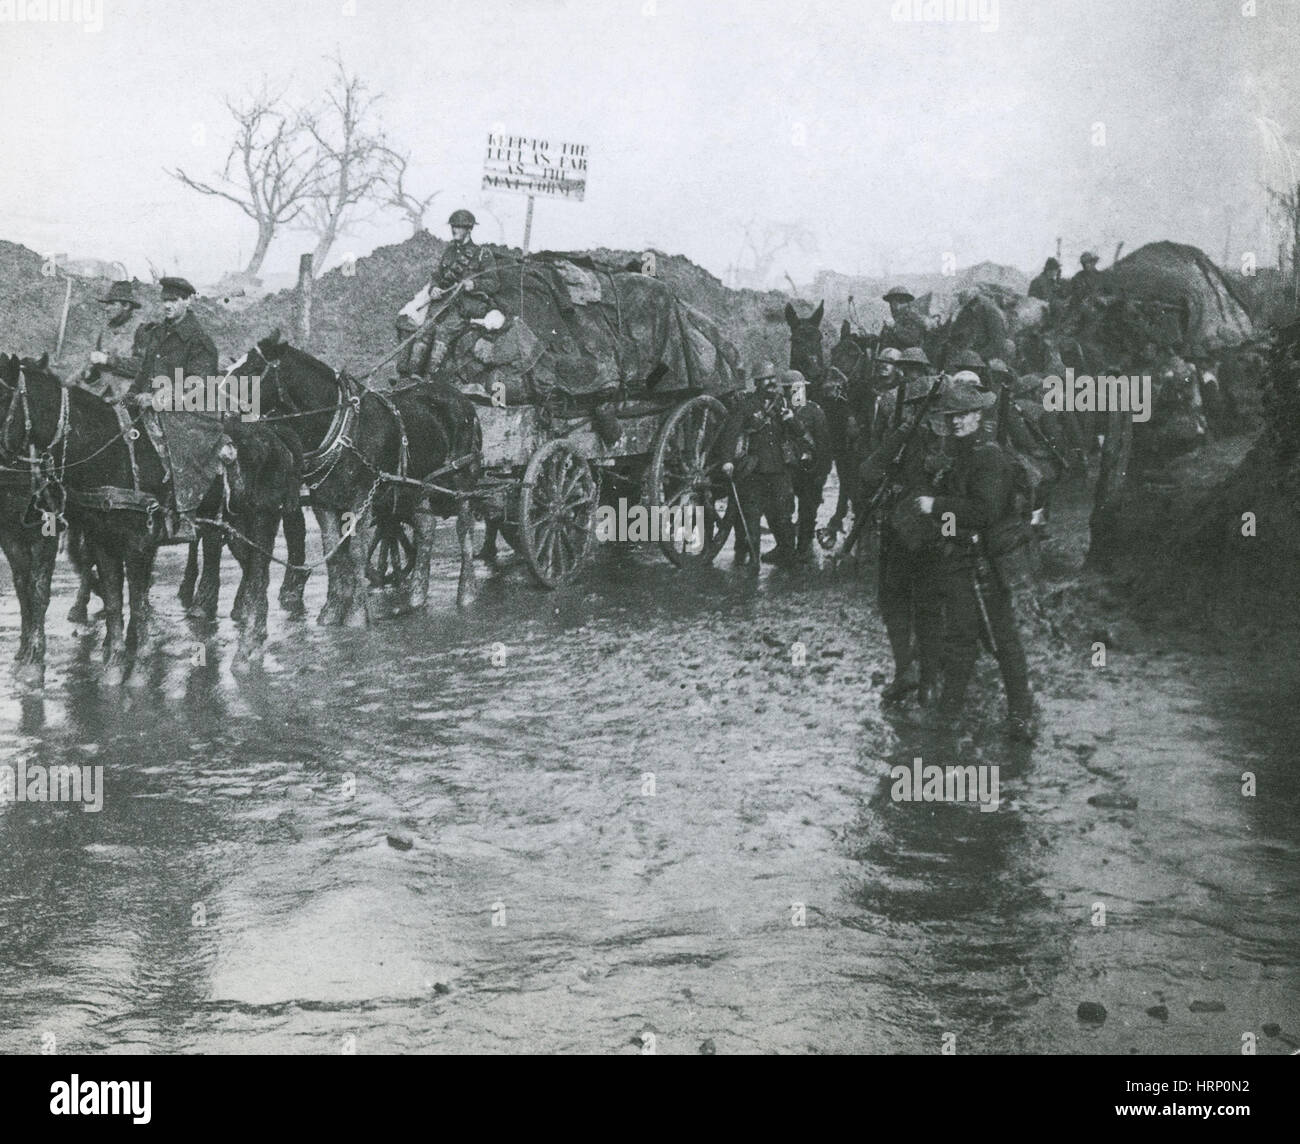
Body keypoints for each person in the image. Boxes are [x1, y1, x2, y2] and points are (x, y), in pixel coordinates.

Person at [913, 376, 1035, 741]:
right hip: (962, 559)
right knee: (962, 639)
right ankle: (949, 714)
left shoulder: (989, 456)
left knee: (1003, 641)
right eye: (951, 416)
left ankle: (1019, 716)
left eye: (963, 415)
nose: (956, 422)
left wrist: (937, 506)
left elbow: (984, 511)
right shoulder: (963, 454)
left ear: (978, 415)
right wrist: (944, 532)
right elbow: (960, 516)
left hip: (985, 563)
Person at [857, 375, 946, 704]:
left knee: (894, 600)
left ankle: (905, 671)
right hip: (941, 532)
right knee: (930, 608)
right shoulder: (953, 436)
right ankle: (929, 684)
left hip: (903, 530)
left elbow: (868, 470)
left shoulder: (906, 434)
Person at [128, 277, 227, 541]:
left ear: (187, 301)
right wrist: (129, 397)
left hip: (192, 410)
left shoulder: (199, 340)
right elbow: (144, 371)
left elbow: (198, 383)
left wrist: (158, 398)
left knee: (181, 440)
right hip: (157, 406)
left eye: (173, 301)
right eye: (164, 301)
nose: (167, 306)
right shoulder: (158, 333)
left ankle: (186, 514)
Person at [398, 208, 499, 378]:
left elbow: (494, 283)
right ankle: (412, 376)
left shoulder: (482, 254)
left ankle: (430, 379)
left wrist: (474, 284)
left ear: (469, 229)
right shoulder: (450, 251)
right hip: (443, 303)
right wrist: (434, 289)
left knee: (443, 332)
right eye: (453, 226)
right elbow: (437, 277)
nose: (454, 229)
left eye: (459, 226)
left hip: (465, 306)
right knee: (424, 331)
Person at [728, 361, 801, 568]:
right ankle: (753, 559)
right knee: (751, 516)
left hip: (779, 469)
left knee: (783, 514)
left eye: (771, 379)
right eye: (765, 380)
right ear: (757, 383)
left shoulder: (782, 402)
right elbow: (732, 433)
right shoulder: (747, 405)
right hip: (755, 470)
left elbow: (799, 432)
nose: (770, 383)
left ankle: (789, 555)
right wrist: (727, 461)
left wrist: (791, 419)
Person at [79, 280, 152, 401]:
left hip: (126, 394)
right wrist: (88, 370)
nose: (107, 308)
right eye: (107, 304)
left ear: (126, 306)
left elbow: (143, 367)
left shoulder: (141, 329)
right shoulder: (106, 328)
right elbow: (96, 363)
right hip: (100, 389)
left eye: (112, 304)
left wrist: (109, 360)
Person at [879, 286, 928, 352]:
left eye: (901, 301)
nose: (896, 306)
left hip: (911, 357)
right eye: (892, 303)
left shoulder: (914, 318)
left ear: (908, 303)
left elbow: (912, 340)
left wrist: (894, 327)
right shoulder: (893, 322)